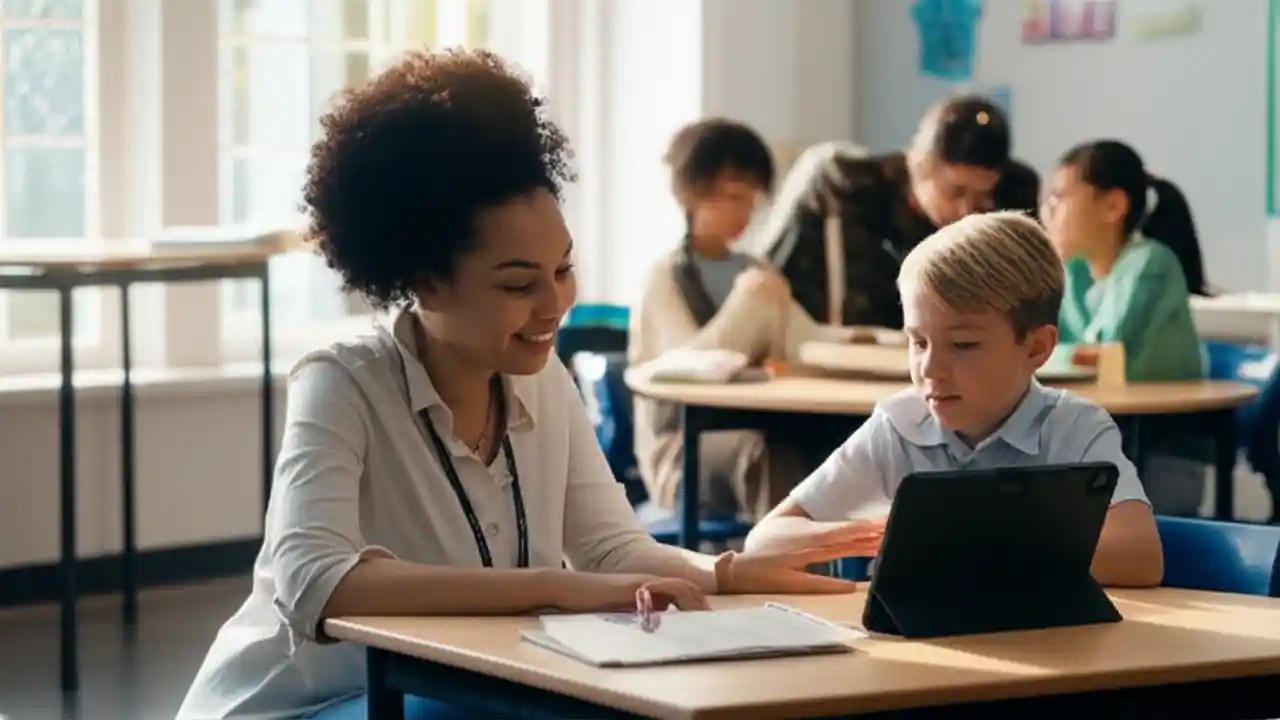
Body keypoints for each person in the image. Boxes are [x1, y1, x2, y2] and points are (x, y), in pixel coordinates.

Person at [177, 50, 856, 720]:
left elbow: (613, 550)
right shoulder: (342, 381)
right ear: (423, 280)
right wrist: (558, 590)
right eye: (517, 283)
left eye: (562, 270)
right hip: (301, 705)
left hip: (448, 691)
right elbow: (316, 582)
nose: (554, 304)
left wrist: (729, 574)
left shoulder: (541, 378)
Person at [744, 212, 1164, 589]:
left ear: (1036, 348)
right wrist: (868, 534)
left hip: (1045, 653)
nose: (930, 368)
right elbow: (764, 542)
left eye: (962, 345)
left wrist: (961, 541)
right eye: (918, 341)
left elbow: (1139, 557)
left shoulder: (1073, 428)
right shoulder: (899, 426)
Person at [629, 119, 833, 522]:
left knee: (826, 445)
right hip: (680, 451)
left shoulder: (755, 270)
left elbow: (806, 339)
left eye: (751, 199)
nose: (744, 212)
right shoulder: (666, 279)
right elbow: (689, 369)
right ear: (692, 193)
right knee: (768, 455)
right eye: (732, 197)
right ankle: (785, 579)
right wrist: (748, 304)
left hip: (759, 426)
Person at [760, 95, 1041, 328]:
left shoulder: (1014, 192)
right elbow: (773, 275)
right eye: (955, 193)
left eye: (983, 198)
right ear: (919, 166)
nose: (967, 211)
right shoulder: (850, 186)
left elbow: (1028, 303)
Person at [1041, 139, 1208, 515]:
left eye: (1058, 199)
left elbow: (1100, 357)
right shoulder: (1075, 274)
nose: (1046, 213)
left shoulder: (1150, 263)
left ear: (1113, 206)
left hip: (1160, 456)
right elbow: (1053, 351)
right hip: (1104, 449)